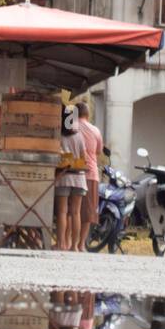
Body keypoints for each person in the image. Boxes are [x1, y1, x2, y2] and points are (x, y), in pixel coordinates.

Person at [56, 104, 88, 251]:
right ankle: (74, 246)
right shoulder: (79, 136)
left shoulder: (59, 136)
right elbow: (84, 158)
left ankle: (61, 244)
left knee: (62, 212)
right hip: (79, 178)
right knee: (76, 212)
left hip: (64, 177)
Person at [75, 100, 105, 251]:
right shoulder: (95, 130)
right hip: (91, 174)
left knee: (72, 211)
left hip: (73, 172)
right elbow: (99, 151)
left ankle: (69, 243)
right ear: (87, 114)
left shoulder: (71, 128)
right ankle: (81, 244)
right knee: (87, 213)